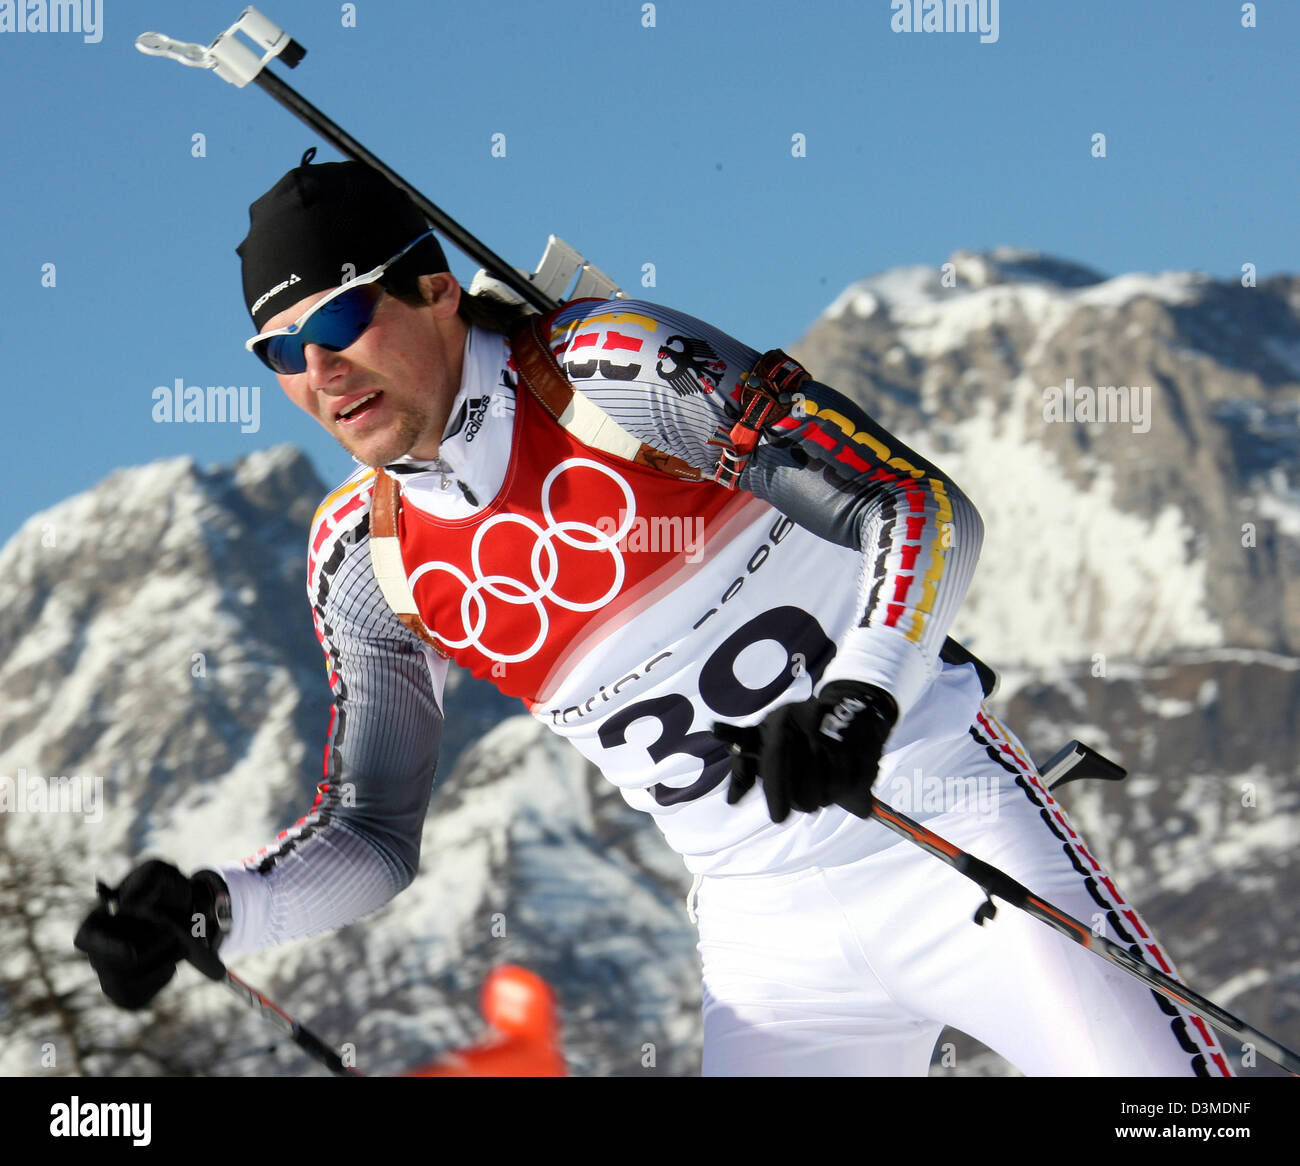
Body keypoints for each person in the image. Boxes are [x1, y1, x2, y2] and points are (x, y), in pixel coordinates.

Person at [76, 155, 1231, 1077]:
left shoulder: (609, 369)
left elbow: (915, 505)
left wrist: (859, 699)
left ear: (434, 288)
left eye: (338, 322)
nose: (320, 372)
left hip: (941, 825)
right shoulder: (363, 555)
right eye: (280, 351)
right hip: (768, 943)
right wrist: (216, 907)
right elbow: (373, 832)